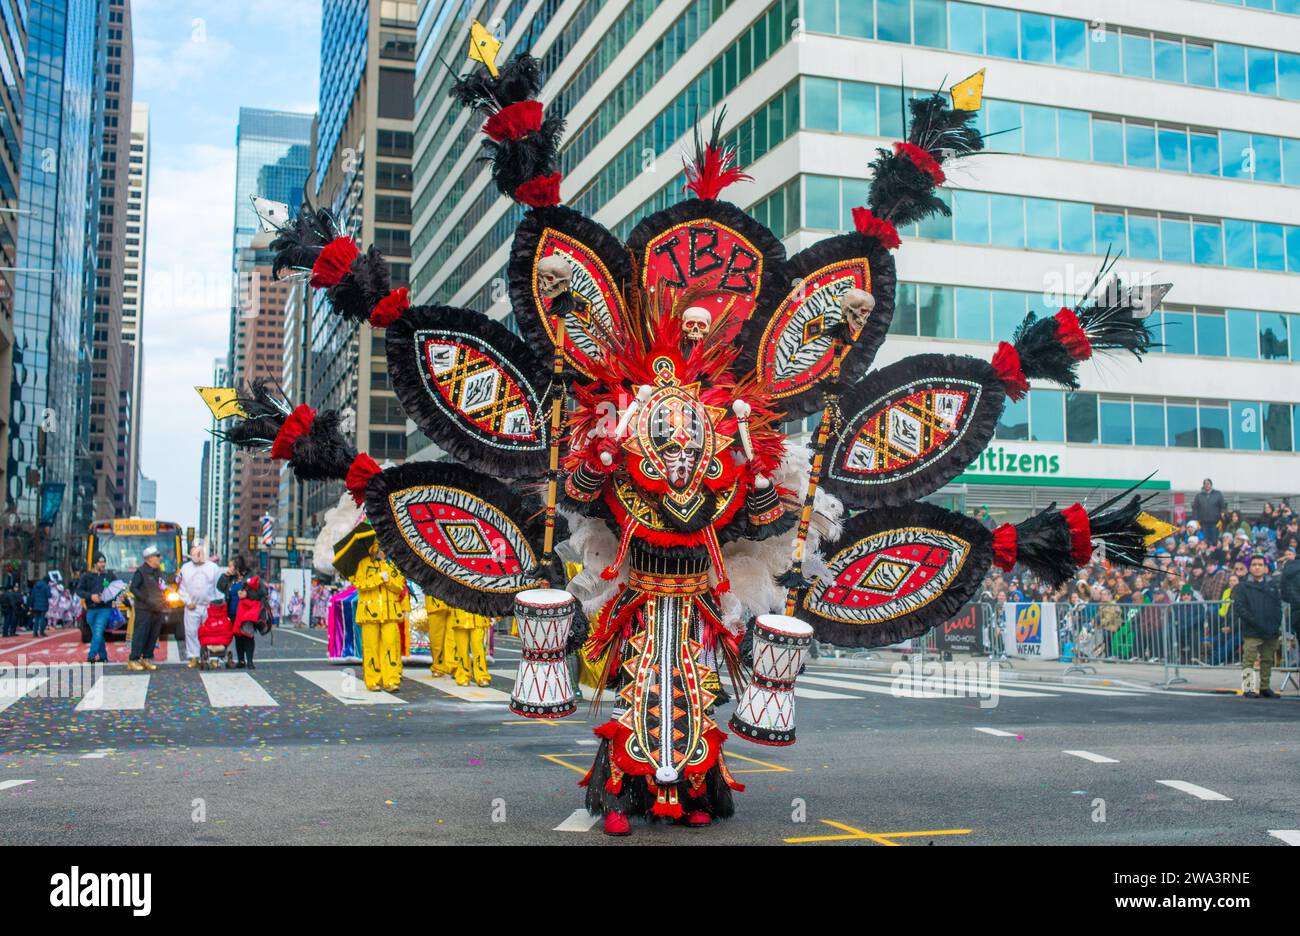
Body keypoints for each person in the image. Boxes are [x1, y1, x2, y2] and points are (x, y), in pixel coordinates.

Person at [352, 542, 407, 692]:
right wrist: (378, 578)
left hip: (390, 614)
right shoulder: (362, 564)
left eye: (384, 547)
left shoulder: (393, 565)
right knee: (371, 648)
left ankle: (391, 681)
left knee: (391, 647)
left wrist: (388, 580)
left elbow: (399, 588)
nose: (382, 550)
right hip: (369, 613)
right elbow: (359, 585)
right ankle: (372, 681)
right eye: (379, 546)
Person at [1235, 554, 1283, 698]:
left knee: (1267, 660)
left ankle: (1264, 687)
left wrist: (1275, 624)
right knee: (1249, 660)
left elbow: (1277, 607)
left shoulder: (1272, 586)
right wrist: (1254, 621)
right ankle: (1248, 688)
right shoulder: (1242, 587)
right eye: (1254, 564)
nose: (1257, 567)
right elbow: (1240, 608)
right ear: (1250, 568)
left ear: (1265, 568)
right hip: (1253, 630)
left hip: (1271, 630)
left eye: (1260, 565)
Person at [178, 539, 221, 669]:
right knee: (191, 632)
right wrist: (187, 601)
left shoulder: (213, 567)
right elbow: (181, 588)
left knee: (212, 632)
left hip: (210, 606)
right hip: (192, 606)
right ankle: (194, 657)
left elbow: (218, 588)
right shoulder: (185, 568)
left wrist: (217, 604)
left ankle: (214, 657)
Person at [127, 546, 168, 671]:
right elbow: (133, 588)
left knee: (153, 635)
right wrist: (145, 598)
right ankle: (133, 659)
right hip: (144, 609)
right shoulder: (141, 571)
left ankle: (147, 658)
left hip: (157, 608)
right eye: (157, 556)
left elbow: (162, 586)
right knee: (140, 634)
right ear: (149, 558)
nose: (159, 558)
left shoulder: (158, 571)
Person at [75, 555, 114, 663]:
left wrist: (106, 595)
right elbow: (79, 591)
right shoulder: (86, 576)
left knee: (98, 631)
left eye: (104, 562)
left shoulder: (109, 575)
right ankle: (103, 656)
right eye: (100, 562)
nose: (103, 564)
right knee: (98, 633)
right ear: (95, 563)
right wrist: (91, 596)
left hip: (105, 608)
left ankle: (91, 655)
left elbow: (117, 588)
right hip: (91, 609)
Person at [231, 571, 268, 669]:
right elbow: (221, 588)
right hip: (233, 612)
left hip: (247, 613)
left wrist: (247, 594)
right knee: (238, 638)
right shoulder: (230, 578)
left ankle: (250, 661)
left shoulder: (252, 576)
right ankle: (241, 661)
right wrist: (225, 576)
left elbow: (263, 592)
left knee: (248, 636)